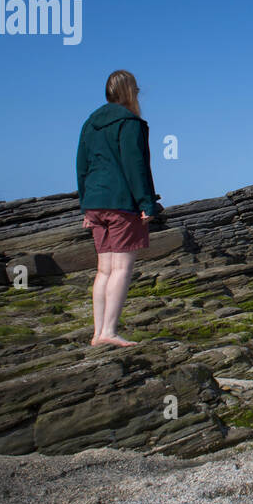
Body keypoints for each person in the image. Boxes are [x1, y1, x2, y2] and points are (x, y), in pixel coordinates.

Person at [76, 70, 161, 347]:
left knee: (104, 270)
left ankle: (98, 333)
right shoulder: (130, 123)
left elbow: (82, 167)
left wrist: (85, 207)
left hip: (96, 203)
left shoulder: (90, 123)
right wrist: (147, 203)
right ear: (130, 92)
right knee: (122, 268)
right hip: (122, 203)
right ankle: (109, 332)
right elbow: (135, 166)